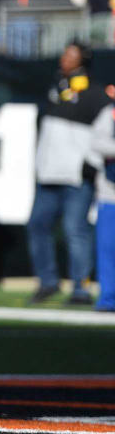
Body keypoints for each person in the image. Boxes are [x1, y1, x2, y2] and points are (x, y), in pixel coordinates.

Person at [27, 42, 105, 305]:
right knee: (38, 225)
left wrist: (91, 162)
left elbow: (106, 130)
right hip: (49, 174)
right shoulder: (55, 89)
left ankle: (81, 288)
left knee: (75, 230)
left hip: (76, 176)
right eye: (64, 53)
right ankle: (47, 282)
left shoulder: (94, 93)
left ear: (83, 61)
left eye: (71, 55)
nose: (65, 59)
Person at [89, 87, 115, 313]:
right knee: (108, 249)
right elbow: (96, 142)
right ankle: (108, 298)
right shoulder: (110, 113)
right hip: (110, 193)